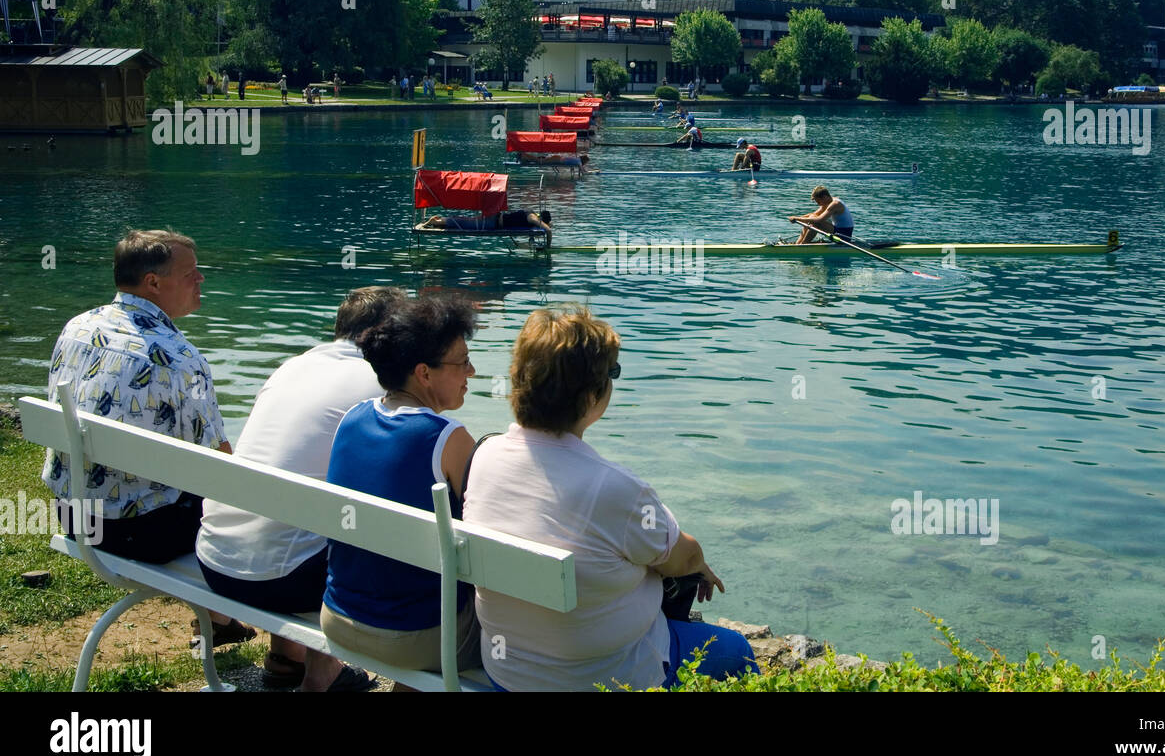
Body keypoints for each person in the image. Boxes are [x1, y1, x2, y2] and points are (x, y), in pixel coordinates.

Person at [463, 306, 757, 691]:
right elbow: (685, 557)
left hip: (508, 671)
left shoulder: (484, 456)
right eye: (610, 374)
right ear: (590, 398)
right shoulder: (616, 489)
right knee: (737, 651)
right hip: (609, 677)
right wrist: (695, 564)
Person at [41, 229, 254, 647]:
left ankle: (218, 620)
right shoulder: (180, 359)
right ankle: (287, 652)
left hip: (75, 516)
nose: (202, 280)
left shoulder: (78, 327)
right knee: (245, 503)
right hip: (138, 533)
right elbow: (220, 466)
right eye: (191, 273)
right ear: (153, 283)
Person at [197, 287, 407, 691]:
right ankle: (321, 674)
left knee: (296, 508)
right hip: (278, 581)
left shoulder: (293, 366)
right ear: (387, 335)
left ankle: (285, 657)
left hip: (216, 561)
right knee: (367, 528)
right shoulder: (377, 385)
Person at [320, 296, 482, 684]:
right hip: (422, 640)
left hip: (339, 619)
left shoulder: (352, 418)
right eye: (462, 362)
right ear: (424, 374)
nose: (472, 371)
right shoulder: (449, 440)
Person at [788, 186, 854, 244]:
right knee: (812, 217)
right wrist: (796, 218)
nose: (818, 204)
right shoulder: (829, 201)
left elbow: (819, 220)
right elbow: (814, 214)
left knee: (816, 223)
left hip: (844, 235)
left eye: (818, 201)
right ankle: (798, 243)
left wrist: (797, 219)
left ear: (824, 197)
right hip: (837, 230)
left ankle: (804, 244)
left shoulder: (835, 204)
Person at [420, 210, 551, 236]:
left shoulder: (530, 213)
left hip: (494, 218)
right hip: (491, 223)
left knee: (467, 221)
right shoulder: (532, 218)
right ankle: (438, 221)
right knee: (466, 223)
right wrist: (548, 247)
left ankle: (439, 221)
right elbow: (548, 230)